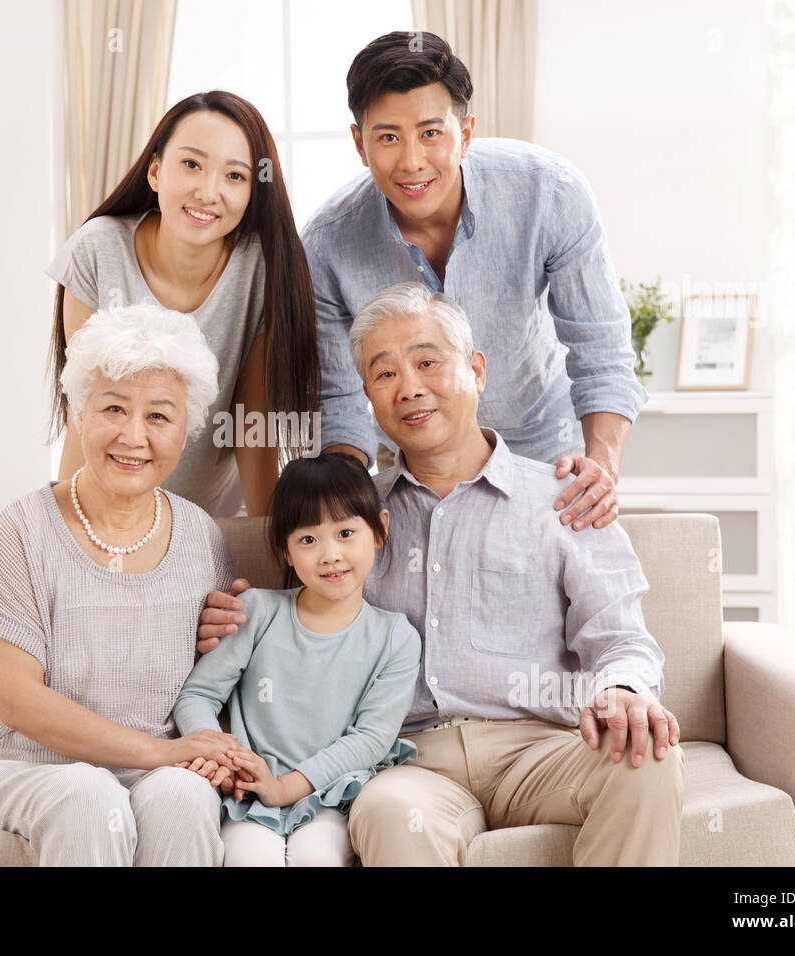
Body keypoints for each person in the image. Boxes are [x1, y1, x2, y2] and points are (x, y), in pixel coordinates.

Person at [200, 283, 685, 866]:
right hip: (411, 757)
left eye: (428, 362)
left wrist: (623, 690)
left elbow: (621, 634)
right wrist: (232, 620)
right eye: (384, 375)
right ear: (368, 398)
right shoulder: (352, 521)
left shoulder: (566, 498)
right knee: (387, 812)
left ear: (476, 370)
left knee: (648, 757)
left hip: (540, 745)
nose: (409, 387)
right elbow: (295, 618)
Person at [305, 31, 647, 533]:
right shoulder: (325, 244)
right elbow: (341, 399)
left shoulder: (551, 193)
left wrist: (603, 462)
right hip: (416, 461)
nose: (412, 162)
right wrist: (345, 503)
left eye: (430, 133)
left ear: (465, 133)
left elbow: (601, 351)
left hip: (543, 452)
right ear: (360, 143)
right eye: (388, 137)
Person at [0, 303, 244, 866]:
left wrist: (197, 752)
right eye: (114, 408)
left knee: (184, 796)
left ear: (186, 430)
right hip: (34, 767)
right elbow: (18, 702)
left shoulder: (203, 538)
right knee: (90, 795)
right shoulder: (21, 530)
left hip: (160, 768)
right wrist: (162, 751)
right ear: (79, 413)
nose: (134, 436)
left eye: (159, 416)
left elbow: (214, 682)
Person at [45, 90, 319, 518]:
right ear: (155, 171)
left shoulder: (260, 269)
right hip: (107, 512)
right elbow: (86, 412)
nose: (208, 192)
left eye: (235, 176)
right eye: (191, 165)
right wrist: (62, 528)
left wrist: (266, 544)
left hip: (208, 521)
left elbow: (252, 427)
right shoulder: (96, 250)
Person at [172, 453, 421, 867]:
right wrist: (227, 757)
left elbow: (371, 738)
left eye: (345, 533)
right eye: (308, 540)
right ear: (285, 551)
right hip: (247, 795)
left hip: (331, 794)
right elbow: (196, 695)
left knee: (316, 856)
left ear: (380, 530)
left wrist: (285, 787)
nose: (330, 555)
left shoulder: (395, 637)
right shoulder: (256, 611)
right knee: (248, 857)